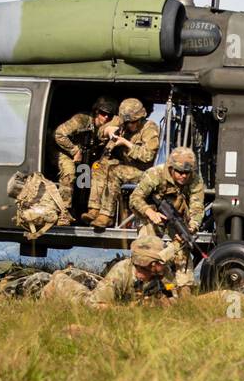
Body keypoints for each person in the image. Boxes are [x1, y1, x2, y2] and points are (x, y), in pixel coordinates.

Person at [128, 146, 205, 296]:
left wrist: (191, 228)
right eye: (180, 172)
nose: (184, 176)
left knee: (183, 246)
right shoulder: (155, 174)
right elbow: (135, 198)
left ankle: (183, 289)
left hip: (176, 219)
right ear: (171, 168)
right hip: (150, 217)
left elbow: (197, 207)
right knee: (146, 248)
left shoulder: (195, 179)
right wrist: (149, 212)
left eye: (187, 173)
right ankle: (140, 287)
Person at [84, 98, 160, 229]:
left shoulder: (150, 128)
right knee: (98, 166)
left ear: (140, 118)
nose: (129, 125)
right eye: (127, 122)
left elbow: (148, 156)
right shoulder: (122, 121)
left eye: (132, 122)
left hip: (143, 171)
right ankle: (94, 209)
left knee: (115, 171)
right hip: (126, 165)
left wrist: (126, 143)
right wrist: (108, 131)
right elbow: (100, 131)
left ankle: (106, 215)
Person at [54, 96, 120, 212]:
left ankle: (80, 210)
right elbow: (59, 134)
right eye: (103, 113)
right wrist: (75, 151)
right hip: (62, 149)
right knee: (69, 173)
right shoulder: (81, 119)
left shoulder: (100, 128)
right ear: (96, 111)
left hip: (82, 154)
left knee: (86, 179)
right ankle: (63, 213)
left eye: (109, 115)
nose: (106, 117)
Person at [87, 235, 182, 307]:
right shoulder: (121, 271)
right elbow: (95, 304)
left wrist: (158, 302)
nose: (165, 265)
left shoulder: (163, 272)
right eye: (162, 262)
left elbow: (175, 294)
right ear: (151, 263)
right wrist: (132, 308)